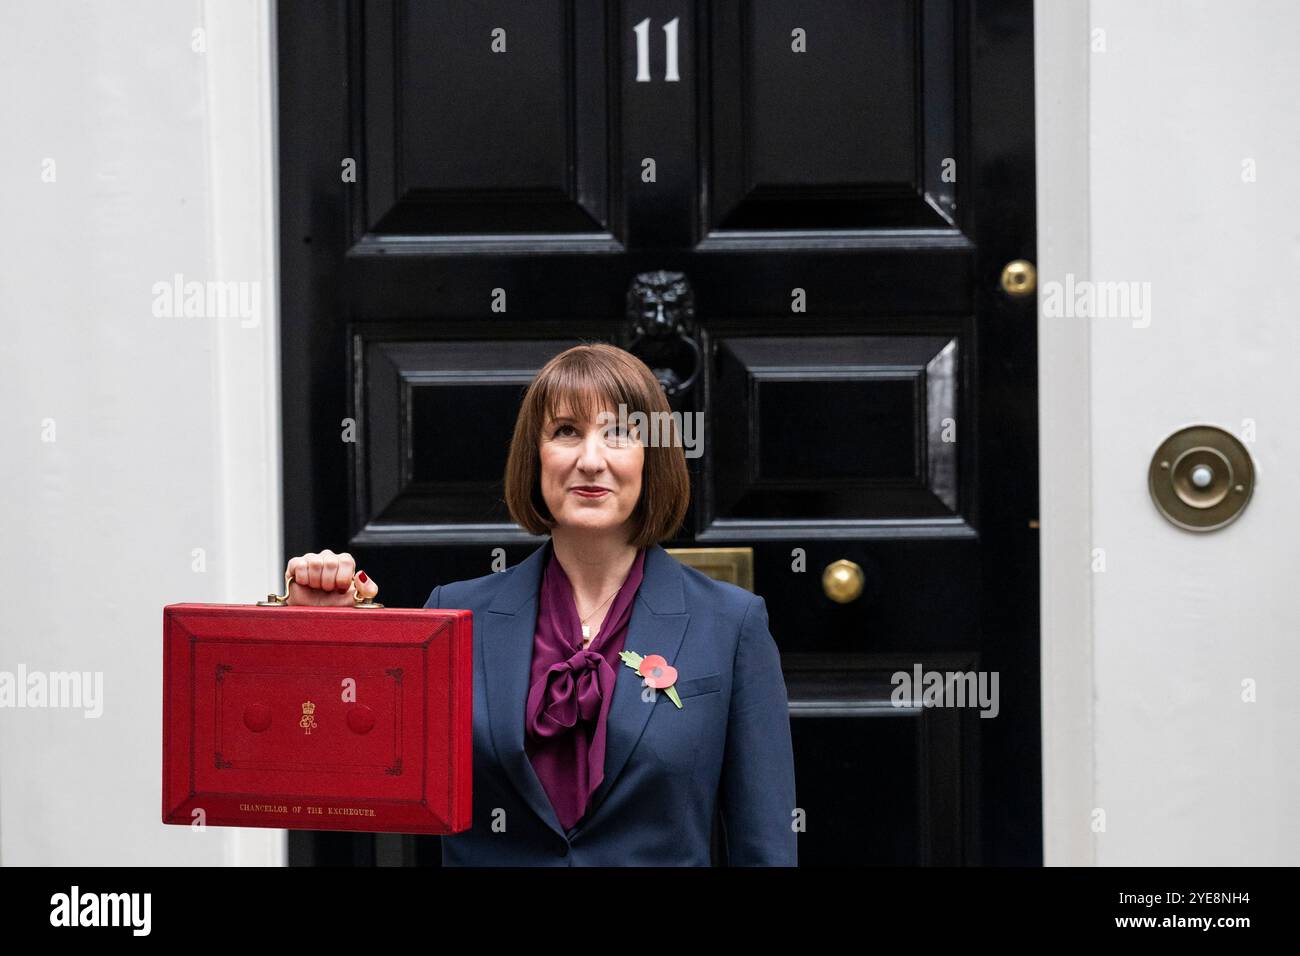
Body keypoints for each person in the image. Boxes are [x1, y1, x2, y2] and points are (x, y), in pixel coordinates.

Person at [285, 343, 796, 865]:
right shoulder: (456, 616)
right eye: (565, 431)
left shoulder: (732, 624)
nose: (590, 460)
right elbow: (350, 779)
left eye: (618, 432)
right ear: (536, 457)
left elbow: (765, 847)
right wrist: (321, 634)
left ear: (654, 457)